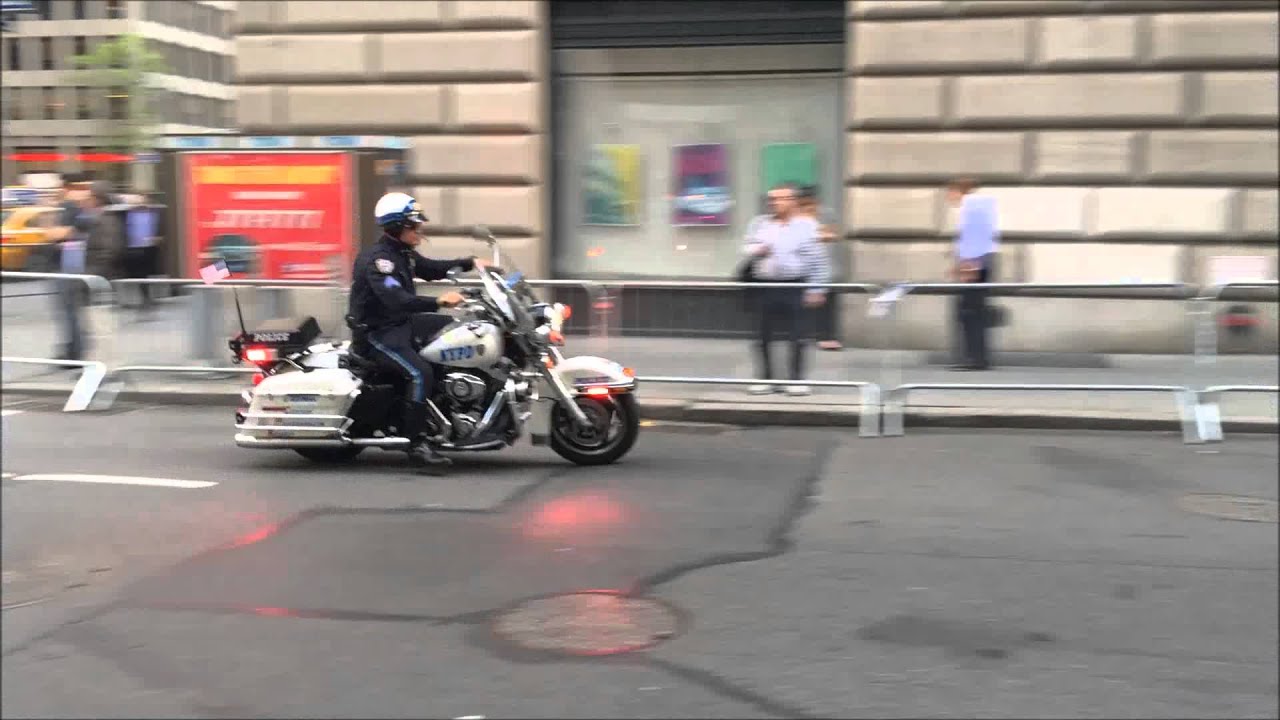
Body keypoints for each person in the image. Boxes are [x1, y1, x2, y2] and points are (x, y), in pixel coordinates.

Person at [347, 192, 485, 474]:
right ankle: (417, 444)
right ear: (397, 227)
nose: (419, 229)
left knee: (452, 329)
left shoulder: (403, 253)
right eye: (414, 225)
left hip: (401, 323)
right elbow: (395, 299)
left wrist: (471, 263)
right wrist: (438, 300)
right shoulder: (379, 261)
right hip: (376, 334)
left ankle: (451, 401)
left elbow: (432, 269)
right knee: (419, 371)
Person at [741, 183, 830, 396]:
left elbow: (818, 259)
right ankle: (764, 378)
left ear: (793, 202)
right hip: (766, 285)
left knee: (798, 335)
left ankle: (796, 380)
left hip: (795, 285)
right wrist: (757, 249)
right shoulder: (759, 223)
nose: (775, 203)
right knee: (762, 335)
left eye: (781, 199)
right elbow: (746, 246)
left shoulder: (807, 225)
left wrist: (817, 288)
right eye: (772, 199)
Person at [946, 177, 999, 371]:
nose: (949, 197)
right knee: (973, 312)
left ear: (961, 192)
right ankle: (975, 357)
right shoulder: (979, 208)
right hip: (980, 263)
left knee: (971, 313)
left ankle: (974, 358)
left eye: (951, 192)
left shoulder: (972, 209)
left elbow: (974, 239)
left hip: (976, 265)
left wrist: (969, 267)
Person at [796, 185, 843, 351]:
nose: (808, 206)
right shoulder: (795, 216)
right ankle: (804, 334)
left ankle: (826, 336)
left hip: (823, 265)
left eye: (810, 202)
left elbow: (832, 235)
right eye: (803, 203)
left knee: (826, 300)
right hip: (802, 266)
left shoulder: (825, 214)